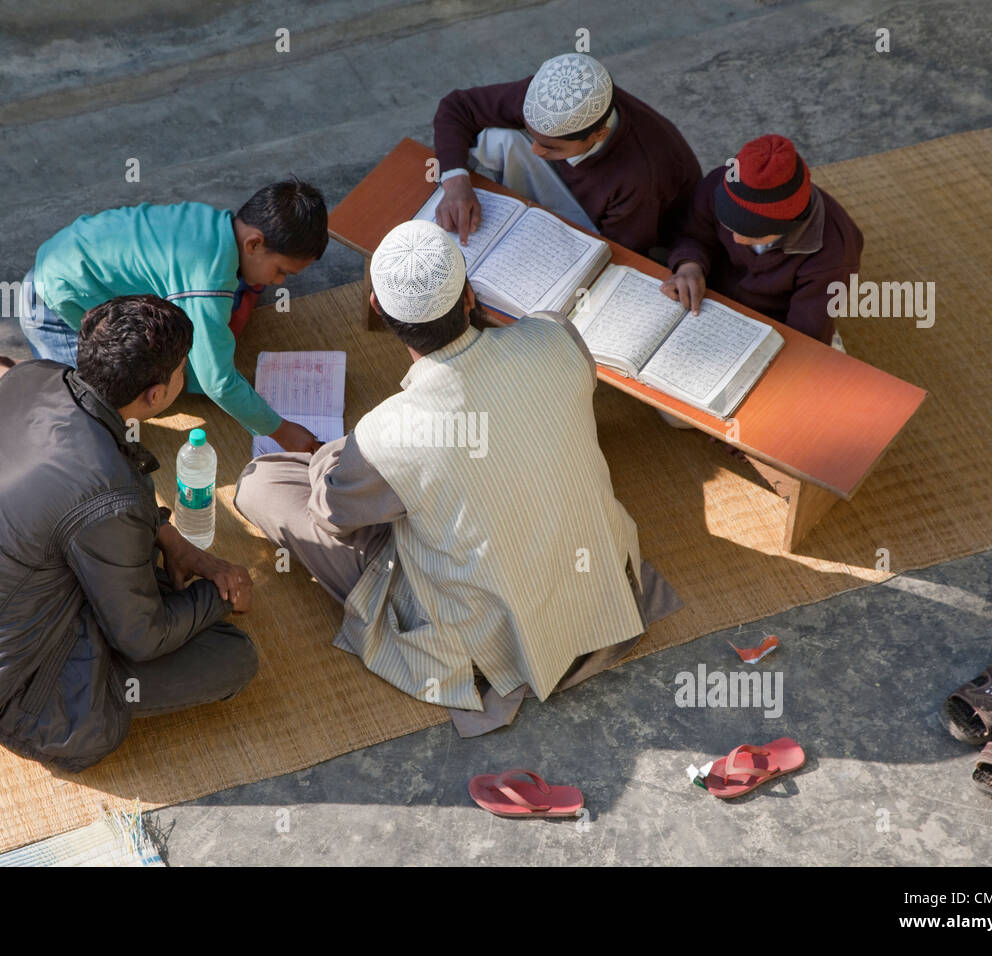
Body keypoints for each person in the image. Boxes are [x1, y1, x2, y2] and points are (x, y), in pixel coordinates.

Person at [233, 220, 681, 734]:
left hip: (480, 644)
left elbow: (336, 518)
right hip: (603, 594)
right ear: (469, 293)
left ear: (376, 307)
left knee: (260, 484)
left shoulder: (387, 431)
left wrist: (334, 455)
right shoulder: (555, 334)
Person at [0, 295, 258, 772]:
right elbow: (142, 638)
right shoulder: (111, 498)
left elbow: (109, 481)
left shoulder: (34, 376)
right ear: (156, 394)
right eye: (180, 369)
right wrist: (221, 596)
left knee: (107, 542)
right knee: (234, 656)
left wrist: (166, 536)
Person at [0, 180, 329, 452]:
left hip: (69, 265)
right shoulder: (207, 280)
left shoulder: (213, 226)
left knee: (173, 378)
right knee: (89, 414)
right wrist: (280, 431)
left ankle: (9, 383)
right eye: (281, 272)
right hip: (55, 308)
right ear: (255, 243)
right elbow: (219, 381)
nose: (278, 283)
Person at [431, 52, 701, 257]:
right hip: (577, 192)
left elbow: (620, 253)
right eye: (532, 136)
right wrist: (455, 184)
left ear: (598, 135)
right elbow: (456, 108)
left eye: (550, 147)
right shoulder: (550, 96)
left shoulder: (641, 177)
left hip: (623, 232)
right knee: (498, 136)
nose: (535, 151)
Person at [661, 134, 863, 352]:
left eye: (754, 234)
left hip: (776, 324)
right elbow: (692, 233)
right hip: (710, 298)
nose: (736, 239)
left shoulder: (834, 254)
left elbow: (806, 332)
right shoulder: (719, 184)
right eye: (729, 224)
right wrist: (689, 265)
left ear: (789, 225)